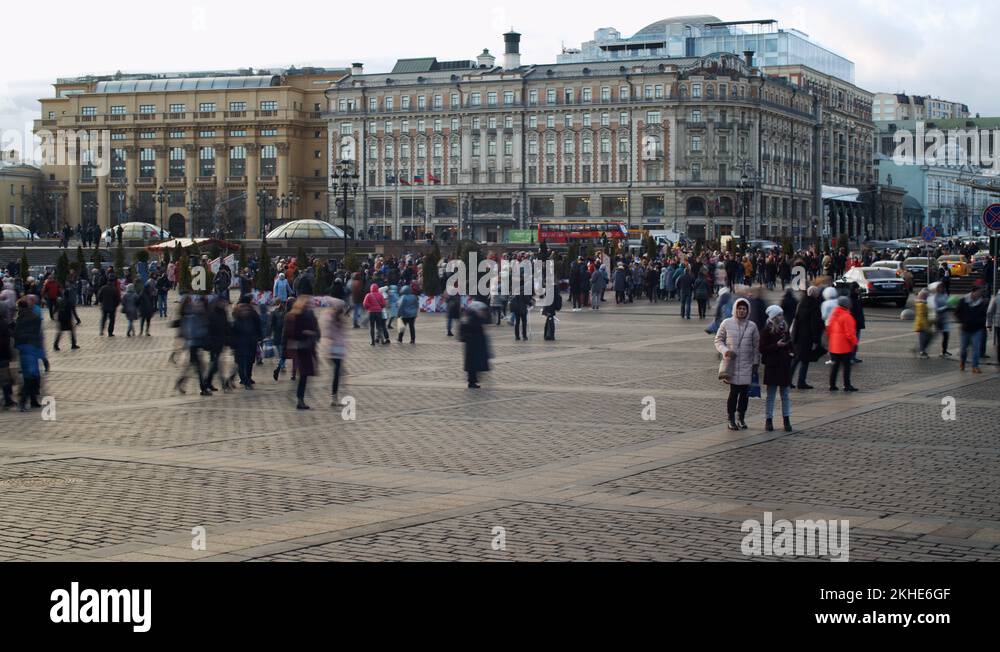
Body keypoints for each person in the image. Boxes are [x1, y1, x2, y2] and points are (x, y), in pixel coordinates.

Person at [714, 297, 760, 431]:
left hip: (747, 364)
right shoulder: (726, 323)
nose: (741, 311)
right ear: (735, 309)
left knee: (745, 394)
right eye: (739, 308)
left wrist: (756, 364)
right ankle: (731, 418)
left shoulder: (752, 326)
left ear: (747, 310)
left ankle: (741, 417)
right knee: (733, 393)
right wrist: (725, 351)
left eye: (744, 309)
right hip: (732, 365)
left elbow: (756, 347)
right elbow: (718, 340)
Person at [760, 305, 794, 432]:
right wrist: (776, 345)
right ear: (773, 317)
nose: (781, 316)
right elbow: (762, 349)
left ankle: (786, 419)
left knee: (785, 394)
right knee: (771, 395)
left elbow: (790, 343)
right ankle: (768, 420)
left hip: (784, 365)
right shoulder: (766, 330)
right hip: (772, 366)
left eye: (781, 314)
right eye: (779, 314)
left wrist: (791, 352)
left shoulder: (785, 328)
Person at [283, 297, 319, 409]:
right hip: (301, 347)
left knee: (304, 374)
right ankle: (300, 399)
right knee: (303, 374)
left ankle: (300, 398)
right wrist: (306, 332)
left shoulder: (302, 315)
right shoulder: (296, 316)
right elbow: (291, 333)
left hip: (303, 347)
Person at [13, 299, 44, 411]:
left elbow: (16, 333)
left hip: (25, 348)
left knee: (29, 376)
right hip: (32, 347)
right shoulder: (34, 316)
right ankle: (31, 401)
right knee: (33, 375)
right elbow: (38, 332)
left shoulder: (21, 319)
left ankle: (26, 401)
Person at [954, 281, 988, 374]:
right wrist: (962, 321)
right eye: (978, 292)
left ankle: (975, 366)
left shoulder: (982, 302)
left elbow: (984, 315)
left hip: (977, 329)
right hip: (965, 328)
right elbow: (957, 313)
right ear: (973, 292)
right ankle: (962, 362)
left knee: (976, 348)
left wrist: (982, 323)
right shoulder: (963, 301)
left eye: (980, 293)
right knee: (964, 349)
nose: (979, 294)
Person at [827, 297, 859, 392]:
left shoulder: (833, 315)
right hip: (844, 346)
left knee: (834, 366)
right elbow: (850, 333)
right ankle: (847, 385)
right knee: (846, 366)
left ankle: (832, 385)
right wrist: (855, 343)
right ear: (847, 305)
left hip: (834, 345)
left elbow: (828, 329)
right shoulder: (847, 316)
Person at [230, 296, 262, 389]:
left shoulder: (253, 314)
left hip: (251, 343)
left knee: (249, 362)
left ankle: (247, 378)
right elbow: (233, 333)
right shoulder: (236, 319)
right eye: (242, 307)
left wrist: (259, 337)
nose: (245, 309)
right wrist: (233, 344)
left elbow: (258, 326)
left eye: (246, 307)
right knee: (242, 363)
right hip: (240, 345)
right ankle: (245, 380)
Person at [459, 301, 491, 389]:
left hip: (470, 345)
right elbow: (479, 326)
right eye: (481, 310)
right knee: (473, 364)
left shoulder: (467, 317)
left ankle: (473, 380)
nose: (482, 312)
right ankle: (472, 381)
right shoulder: (474, 318)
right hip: (474, 344)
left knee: (472, 364)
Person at [322, 296, 348, 404]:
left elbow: (328, 334)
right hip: (339, 350)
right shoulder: (339, 320)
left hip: (333, 349)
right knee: (337, 373)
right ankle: (334, 396)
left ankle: (334, 397)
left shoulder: (331, 319)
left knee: (336, 373)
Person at [929, 282, 953, 358]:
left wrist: (952, 305)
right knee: (931, 336)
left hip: (944, 319)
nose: (941, 289)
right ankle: (922, 349)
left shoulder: (945, 295)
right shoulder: (934, 297)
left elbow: (948, 303)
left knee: (946, 335)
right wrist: (945, 307)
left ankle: (944, 351)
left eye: (942, 287)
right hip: (936, 319)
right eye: (939, 287)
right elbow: (935, 309)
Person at [914, 289, 934, 359]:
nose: (928, 296)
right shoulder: (921, 304)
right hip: (922, 325)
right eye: (926, 295)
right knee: (923, 339)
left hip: (924, 325)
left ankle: (920, 350)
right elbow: (922, 317)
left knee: (925, 338)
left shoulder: (924, 304)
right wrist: (926, 327)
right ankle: (922, 352)